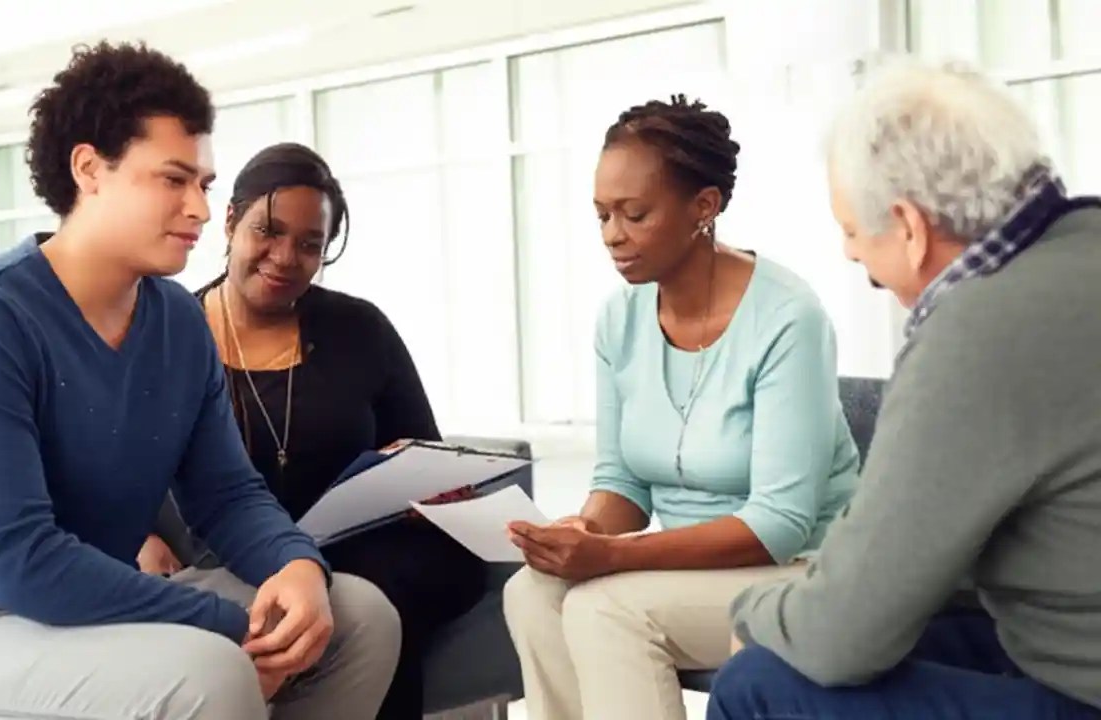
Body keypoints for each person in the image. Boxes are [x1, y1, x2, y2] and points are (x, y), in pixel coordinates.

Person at [0, 42, 400, 720]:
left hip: (71, 622)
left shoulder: (176, 319)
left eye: (202, 182)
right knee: (209, 671)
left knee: (360, 616)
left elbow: (226, 494)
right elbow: (20, 561)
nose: (200, 209)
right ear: (90, 170)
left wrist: (299, 568)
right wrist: (225, 625)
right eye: (173, 180)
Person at [710, 58, 1101, 720]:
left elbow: (842, 637)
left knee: (759, 682)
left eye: (853, 233)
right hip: (1061, 647)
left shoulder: (979, 331)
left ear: (911, 228)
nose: (850, 255)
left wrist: (755, 615)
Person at [501, 94, 860, 720]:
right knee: (532, 593)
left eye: (635, 214)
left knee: (604, 607)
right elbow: (623, 482)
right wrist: (584, 531)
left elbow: (779, 525)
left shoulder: (787, 318)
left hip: (808, 572)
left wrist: (613, 558)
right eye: (602, 215)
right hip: (688, 571)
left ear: (704, 207)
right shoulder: (620, 320)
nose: (614, 235)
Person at [137, 142, 488, 719]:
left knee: (385, 586)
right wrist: (142, 537)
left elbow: (425, 448)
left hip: (361, 544)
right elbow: (124, 460)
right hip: (234, 552)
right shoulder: (172, 332)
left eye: (309, 245)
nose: (284, 256)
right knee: (346, 597)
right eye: (267, 232)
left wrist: (418, 479)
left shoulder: (360, 327)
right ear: (231, 222)